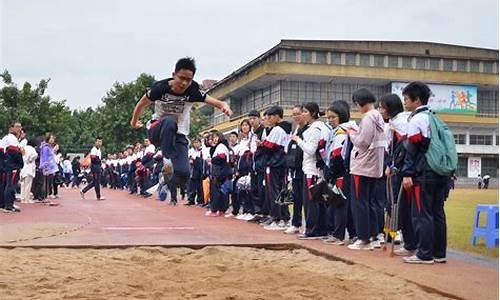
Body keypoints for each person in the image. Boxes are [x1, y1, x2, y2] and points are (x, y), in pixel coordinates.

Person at [130, 57, 232, 203]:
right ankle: (167, 161)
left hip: (179, 135)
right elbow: (141, 104)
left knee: (184, 174)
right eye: (181, 78)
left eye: (188, 80)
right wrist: (134, 122)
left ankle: (164, 181)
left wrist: (224, 106)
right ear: (174, 75)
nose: (184, 83)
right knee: (170, 121)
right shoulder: (160, 88)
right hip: (158, 130)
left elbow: (217, 102)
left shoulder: (193, 91)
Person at [400, 81, 448, 264]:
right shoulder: (435, 118)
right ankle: (439, 253)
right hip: (439, 172)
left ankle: (424, 253)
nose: (405, 102)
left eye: (406, 99)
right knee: (437, 213)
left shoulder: (417, 119)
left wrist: (407, 173)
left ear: (417, 100)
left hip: (423, 173)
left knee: (421, 213)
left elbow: (412, 149)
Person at [346, 88, 386, 251]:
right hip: (374, 166)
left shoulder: (368, 117)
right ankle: (374, 235)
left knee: (360, 203)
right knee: (370, 202)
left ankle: (363, 238)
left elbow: (362, 142)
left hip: (362, 166)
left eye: (356, 104)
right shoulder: (378, 116)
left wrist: (351, 134)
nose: (357, 108)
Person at [292, 102, 329, 239]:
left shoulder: (315, 128)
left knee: (311, 202)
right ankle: (318, 229)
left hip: (312, 169)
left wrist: (298, 140)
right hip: (311, 168)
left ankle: (312, 230)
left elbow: (311, 150)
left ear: (313, 113)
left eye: (305, 112)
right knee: (315, 201)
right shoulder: (316, 127)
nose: (303, 114)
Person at [323, 100, 354, 245]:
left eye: (333, 117)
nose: (329, 120)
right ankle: (348, 234)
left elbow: (337, 154)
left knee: (340, 203)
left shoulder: (342, 131)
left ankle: (339, 235)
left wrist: (332, 171)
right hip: (337, 171)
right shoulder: (335, 131)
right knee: (340, 203)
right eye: (328, 117)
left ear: (341, 116)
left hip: (341, 172)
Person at [260, 106, 291, 231]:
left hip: (275, 164)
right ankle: (282, 217)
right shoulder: (279, 129)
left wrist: (262, 145)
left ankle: (279, 218)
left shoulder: (278, 129)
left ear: (278, 116)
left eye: (271, 116)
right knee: (278, 191)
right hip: (277, 163)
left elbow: (269, 146)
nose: (269, 118)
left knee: (275, 191)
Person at [284, 105, 307, 234]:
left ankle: (308, 225)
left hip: (306, 168)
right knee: (297, 197)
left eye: (298, 114)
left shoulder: (309, 129)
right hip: (295, 169)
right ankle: (296, 223)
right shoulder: (296, 130)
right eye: (293, 114)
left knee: (306, 199)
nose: (296, 117)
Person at [1, 121, 24, 212]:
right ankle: (8, 205)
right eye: (17, 127)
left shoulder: (6, 138)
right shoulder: (12, 139)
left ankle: (4, 204)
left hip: (6, 165)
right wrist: (20, 163)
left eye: (20, 127)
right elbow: (14, 152)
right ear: (11, 128)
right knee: (11, 185)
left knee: (6, 184)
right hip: (12, 165)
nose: (19, 129)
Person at [39, 134, 59, 200]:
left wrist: (54, 150)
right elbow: (45, 157)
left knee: (48, 182)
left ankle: (46, 196)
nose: (53, 140)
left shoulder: (49, 147)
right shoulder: (45, 147)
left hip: (50, 167)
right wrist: (46, 167)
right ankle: (44, 197)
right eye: (52, 138)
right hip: (46, 167)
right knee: (46, 182)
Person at [20, 138, 38, 203]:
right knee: (28, 184)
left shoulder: (24, 148)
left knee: (23, 184)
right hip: (29, 167)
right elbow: (35, 155)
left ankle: (22, 198)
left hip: (23, 167)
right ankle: (27, 199)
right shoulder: (32, 149)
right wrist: (30, 159)